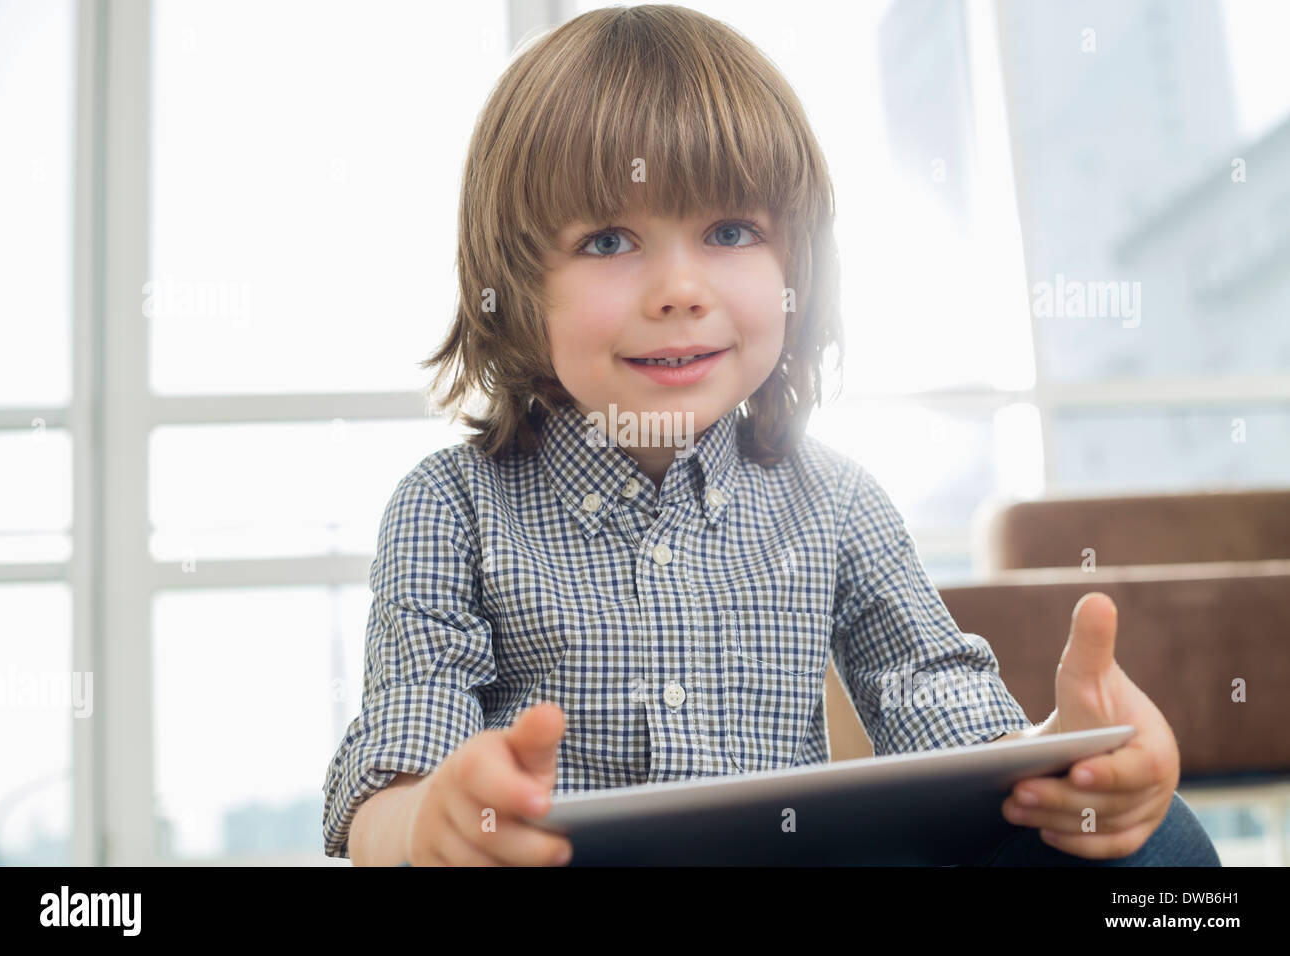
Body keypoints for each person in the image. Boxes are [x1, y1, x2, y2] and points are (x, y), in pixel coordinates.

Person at [321, 4, 1220, 867]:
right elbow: (392, 792)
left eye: (729, 231)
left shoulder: (836, 497)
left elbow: (952, 724)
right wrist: (437, 820)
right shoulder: (450, 505)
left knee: (1158, 840)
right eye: (606, 241)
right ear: (518, 287)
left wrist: (1076, 760)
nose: (679, 289)